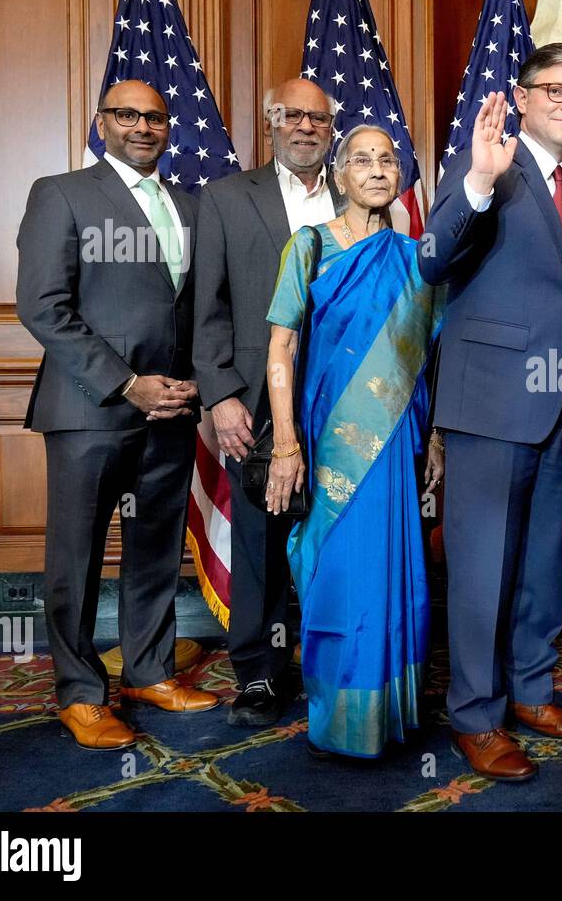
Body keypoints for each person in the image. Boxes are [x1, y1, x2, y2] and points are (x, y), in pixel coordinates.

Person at [16, 79, 219, 750]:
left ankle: (149, 670)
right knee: (75, 556)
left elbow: (194, 308)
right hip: (89, 409)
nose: (142, 126)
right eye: (127, 114)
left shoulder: (190, 206)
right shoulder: (62, 193)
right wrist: (127, 383)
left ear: (168, 127)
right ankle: (79, 693)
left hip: (173, 411)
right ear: (100, 121)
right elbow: (44, 307)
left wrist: (192, 388)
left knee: (156, 550)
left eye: (155, 116)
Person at [422, 43, 562, 782]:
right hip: (489, 405)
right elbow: (431, 258)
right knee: (480, 571)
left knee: (541, 569)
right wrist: (475, 183)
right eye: (555, 89)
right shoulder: (488, 168)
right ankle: (476, 714)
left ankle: (531, 693)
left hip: (560, 410)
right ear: (523, 97)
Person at [263, 124, 442, 759]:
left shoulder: (416, 258)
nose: (375, 170)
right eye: (361, 161)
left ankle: (388, 712)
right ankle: (339, 715)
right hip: (330, 440)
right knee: (335, 567)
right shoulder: (308, 246)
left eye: (387, 160)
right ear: (338, 177)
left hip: (395, 441)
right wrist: (286, 443)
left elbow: (431, 358)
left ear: (400, 176)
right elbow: (280, 345)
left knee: (393, 569)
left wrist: (438, 439)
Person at [193, 78, 342, 726]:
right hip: (254, 401)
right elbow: (205, 308)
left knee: (336, 534)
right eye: (293, 115)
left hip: (344, 397)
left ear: (331, 129)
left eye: (319, 118)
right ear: (271, 122)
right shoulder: (226, 199)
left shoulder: (362, 193)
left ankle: (336, 664)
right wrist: (221, 394)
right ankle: (257, 673)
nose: (306, 126)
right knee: (261, 535)